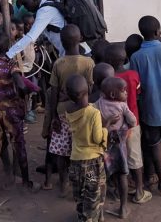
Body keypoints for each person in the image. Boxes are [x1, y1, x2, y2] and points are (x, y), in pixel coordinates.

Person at [0, 30, 39, 194]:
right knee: (19, 145)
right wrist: (25, 94)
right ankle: (26, 182)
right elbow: (20, 85)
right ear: (7, 48)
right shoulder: (10, 65)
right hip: (10, 111)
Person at [130, 16, 161, 197]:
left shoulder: (136, 57)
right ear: (159, 32)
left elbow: (137, 86)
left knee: (154, 144)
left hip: (149, 109)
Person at [47, 24, 95, 197]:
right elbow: (90, 89)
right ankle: (82, 183)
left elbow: (53, 92)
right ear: (81, 38)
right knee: (82, 149)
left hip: (62, 113)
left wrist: (53, 116)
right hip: (82, 112)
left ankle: (63, 182)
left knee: (61, 151)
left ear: (61, 41)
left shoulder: (58, 64)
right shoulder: (89, 63)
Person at [104, 44, 151, 205]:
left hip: (113, 126)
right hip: (132, 123)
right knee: (134, 156)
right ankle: (139, 190)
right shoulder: (133, 75)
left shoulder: (107, 79)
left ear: (108, 60)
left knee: (117, 157)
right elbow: (138, 94)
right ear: (125, 59)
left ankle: (118, 190)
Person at [6, 0, 90, 59]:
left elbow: (31, 37)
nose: (25, 7)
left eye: (25, 3)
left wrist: (8, 54)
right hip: (76, 54)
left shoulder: (45, 11)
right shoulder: (49, 6)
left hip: (78, 56)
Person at [65, 74, 108, 222]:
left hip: (76, 160)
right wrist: (106, 129)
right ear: (89, 89)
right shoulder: (93, 113)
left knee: (81, 192)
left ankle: (82, 216)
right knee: (93, 191)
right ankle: (90, 218)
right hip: (92, 163)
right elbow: (97, 138)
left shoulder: (68, 110)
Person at [94, 77, 137, 219]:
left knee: (102, 178)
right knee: (122, 175)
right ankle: (123, 208)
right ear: (113, 94)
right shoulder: (123, 106)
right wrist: (127, 126)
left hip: (103, 146)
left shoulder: (97, 104)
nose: (126, 94)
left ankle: (99, 212)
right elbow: (133, 121)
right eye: (124, 91)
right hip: (118, 147)